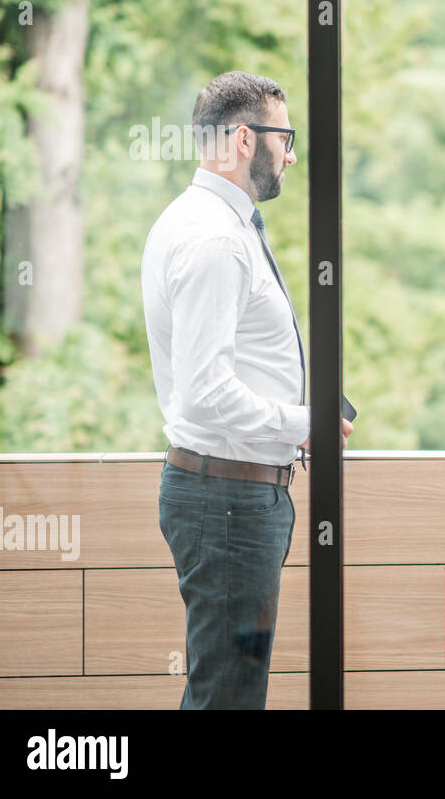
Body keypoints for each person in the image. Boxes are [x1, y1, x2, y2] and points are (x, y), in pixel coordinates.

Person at [141, 70, 352, 709]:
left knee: (227, 691)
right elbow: (204, 394)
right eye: (284, 138)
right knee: (227, 698)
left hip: (228, 495)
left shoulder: (203, 220)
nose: (291, 154)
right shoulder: (214, 239)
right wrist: (303, 422)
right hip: (228, 499)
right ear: (242, 139)